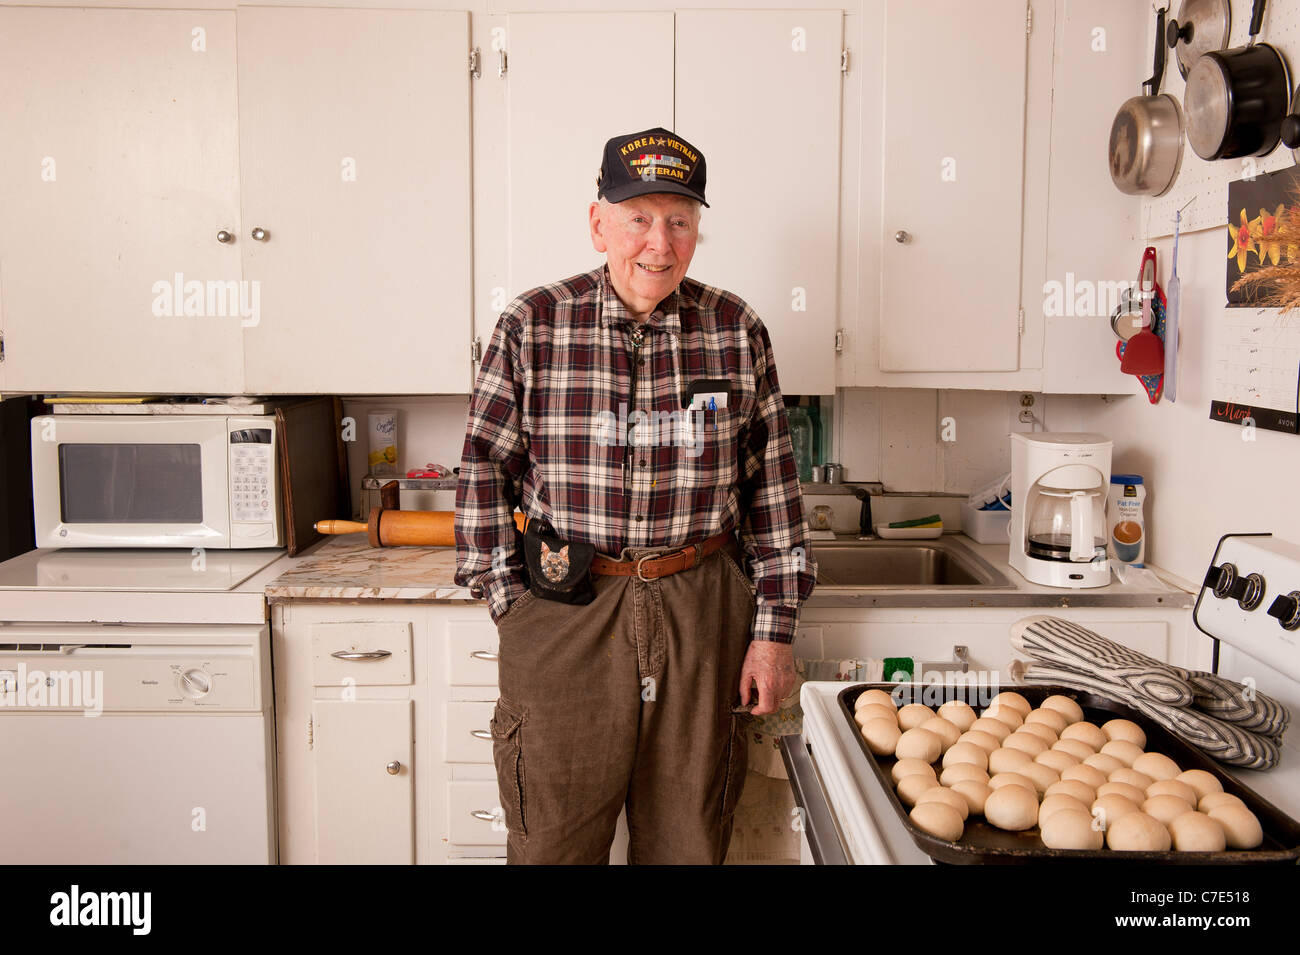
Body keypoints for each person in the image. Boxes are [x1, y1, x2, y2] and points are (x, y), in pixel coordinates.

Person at [454, 127, 816, 864]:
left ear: (697, 232)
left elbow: (773, 493)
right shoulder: (531, 325)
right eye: (638, 218)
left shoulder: (736, 329)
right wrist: (512, 609)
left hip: (702, 608)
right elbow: (483, 471)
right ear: (599, 223)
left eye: (679, 220)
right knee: (552, 843)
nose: (659, 242)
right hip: (567, 608)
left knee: (689, 841)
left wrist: (773, 631)